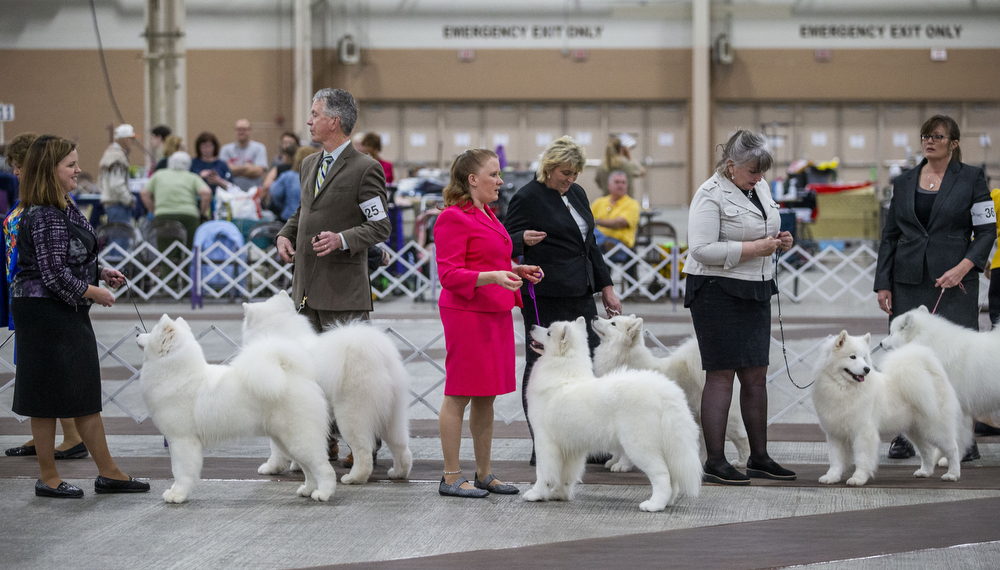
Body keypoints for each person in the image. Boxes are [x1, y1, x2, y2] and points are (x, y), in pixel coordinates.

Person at [11, 135, 149, 498]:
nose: (78, 170)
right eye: (71, 165)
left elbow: (73, 258)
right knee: (44, 397)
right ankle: (48, 477)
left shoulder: (64, 205)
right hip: (43, 313)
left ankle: (109, 473)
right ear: (50, 170)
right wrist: (94, 292)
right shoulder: (44, 214)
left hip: (61, 309)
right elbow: (53, 274)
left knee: (84, 391)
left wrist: (100, 273)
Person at [275, 88, 392, 458]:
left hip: (343, 291)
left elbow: (380, 226)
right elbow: (304, 211)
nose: (309, 121)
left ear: (334, 121)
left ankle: (365, 446)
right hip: (305, 289)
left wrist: (343, 239)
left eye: (315, 114)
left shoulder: (365, 168)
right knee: (310, 376)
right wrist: (285, 234)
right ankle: (322, 443)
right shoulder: (309, 163)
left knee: (354, 378)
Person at [874, 115, 994, 462]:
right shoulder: (904, 181)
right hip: (907, 281)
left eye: (938, 136)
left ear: (954, 143)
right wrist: (883, 283)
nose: (929, 140)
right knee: (905, 361)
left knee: (956, 364)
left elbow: (987, 230)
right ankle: (907, 435)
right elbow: (890, 235)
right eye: (926, 135)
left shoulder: (972, 178)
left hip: (955, 283)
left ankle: (962, 441)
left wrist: (964, 267)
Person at [685, 129, 795, 486]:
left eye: (762, 171)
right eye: (752, 171)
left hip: (756, 288)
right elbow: (700, 249)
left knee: (756, 374)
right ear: (731, 165)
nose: (759, 177)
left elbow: (762, 228)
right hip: (715, 290)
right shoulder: (710, 193)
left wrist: (779, 241)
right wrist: (753, 249)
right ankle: (715, 461)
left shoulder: (759, 188)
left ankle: (758, 457)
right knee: (721, 375)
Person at [504, 135, 623, 465]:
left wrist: (607, 286)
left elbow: (590, 245)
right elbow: (502, 239)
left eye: (575, 173)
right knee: (541, 365)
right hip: (545, 294)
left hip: (581, 292)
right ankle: (542, 445)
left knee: (587, 362)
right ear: (549, 167)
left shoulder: (578, 193)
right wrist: (521, 239)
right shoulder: (527, 197)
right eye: (565, 173)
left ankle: (583, 440)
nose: (570, 179)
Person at [434, 149, 543, 497]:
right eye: (493, 174)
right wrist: (492, 276)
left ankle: (484, 473)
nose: (500, 181)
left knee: (486, 397)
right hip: (466, 313)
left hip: (494, 310)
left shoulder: (490, 214)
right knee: (458, 395)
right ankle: (451, 476)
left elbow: (490, 259)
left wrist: (515, 269)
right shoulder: (452, 217)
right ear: (472, 179)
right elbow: (449, 274)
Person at [3, 133, 88, 460]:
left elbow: (63, 257)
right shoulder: (27, 202)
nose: (14, 172)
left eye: (18, 165)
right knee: (33, 370)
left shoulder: (46, 206)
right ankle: (43, 435)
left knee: (45, 371)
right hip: (24, 295)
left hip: (43, 299)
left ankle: (69, 438)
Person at [139, 151, 212, 248]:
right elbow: (206, 192)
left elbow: (144, 193)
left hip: (163, 216)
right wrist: (202, 212)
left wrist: (153, 209)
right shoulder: (192, 177)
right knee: (188, 250)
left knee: (165, 251)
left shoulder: (158, 175)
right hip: (189, 216)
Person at [591, 170, 640, 263]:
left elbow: (620, 223)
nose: (620, 185)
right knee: (590, 231)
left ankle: (605, 243)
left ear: (627, 186)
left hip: (621, 245)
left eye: (623, 182)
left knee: (596, 240)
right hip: (597, 241)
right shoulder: (598, 202)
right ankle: (603, 242)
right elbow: (586, 220)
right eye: (617, 182)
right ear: (609, 185)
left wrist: (597, 221)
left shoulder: (633, 204)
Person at [98, 124, 137, 226]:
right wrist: (128, 199)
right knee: (121, 234)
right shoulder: (117, 156)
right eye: (131, 139)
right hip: (118, 205)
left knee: (115, 234)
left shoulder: (109, 154)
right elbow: (116, 184)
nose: (132, 142)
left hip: (111, 203)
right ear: (125, 139)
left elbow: (100, 181)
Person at [269, 145, 318, 223]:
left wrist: (283, 206)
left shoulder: (287, 176)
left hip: (288, 218)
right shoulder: (319, 178)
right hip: (311, 221)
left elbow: (274, 193)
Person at [219, 119, 268, 191]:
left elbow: (258, 172)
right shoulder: (226, 149)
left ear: (250, 131)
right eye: (239, 129)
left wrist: (234, 170)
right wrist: (246, 167)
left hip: (253, 192)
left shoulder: (259, 148)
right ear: (235, 131)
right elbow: (224, 170)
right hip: (231, 192)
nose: (241, 132)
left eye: (244, 129)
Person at [260, 140, 300, 211]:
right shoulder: (300, 169)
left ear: (286, 156)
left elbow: (266, 186)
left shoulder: (279, 169)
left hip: (282, 210)